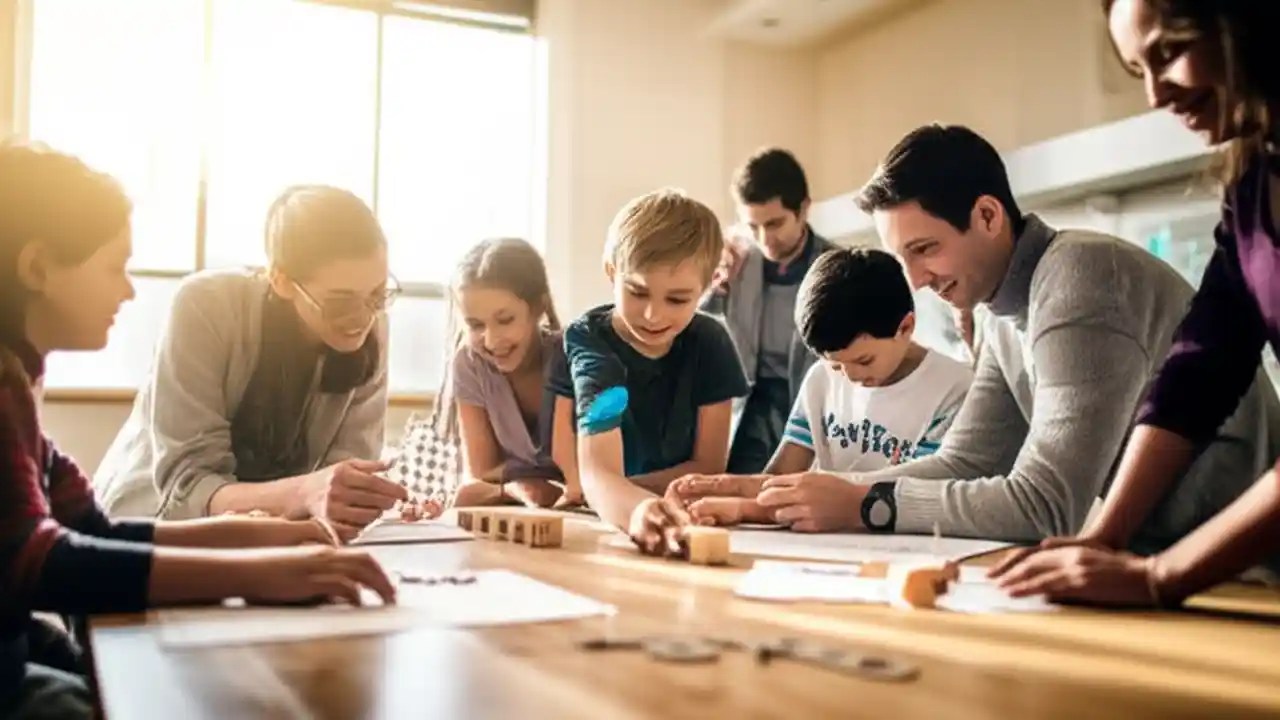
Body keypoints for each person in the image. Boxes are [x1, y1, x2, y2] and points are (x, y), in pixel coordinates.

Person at [673, 123, 1277, 541]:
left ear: (988, 216)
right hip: (1171, 556)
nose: (911, 278)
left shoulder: (1079, 278)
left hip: (1244, 572)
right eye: (900, 256)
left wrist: (866, 503)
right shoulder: (998, 310)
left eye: (926, 248)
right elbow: (966, 462)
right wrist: (777, 493)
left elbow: (1046, 505)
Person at [0, 141, 395, 719]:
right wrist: (259, 574)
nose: (129, 290)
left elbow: (86, 526)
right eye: (115, 267)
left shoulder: (18, 385)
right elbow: (39, 561)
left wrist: (262, 542)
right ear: (37, 268)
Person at [990, 0, 1280, 607]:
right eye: (1136, 70)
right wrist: (1104, 536)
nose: (1153, 95)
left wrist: (1160, 576)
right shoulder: (1253, 182)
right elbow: (1201, 367)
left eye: (1169, 53)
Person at [94, 185, 422, 541]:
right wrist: (305, 493)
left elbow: (343, 480)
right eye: (340, 301)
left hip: (276, 535)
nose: (363, 317)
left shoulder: (373, 326)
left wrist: (363, 498)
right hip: (149, 532)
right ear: (281, 279)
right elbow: (185, 489)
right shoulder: (206, 305)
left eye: (377, 295)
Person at [683, 248, 972, 527]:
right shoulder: (821, 379)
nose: (849, 376)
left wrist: (746, 508)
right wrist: (729, 487)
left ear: (905, 327)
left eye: (863, 360)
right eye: (836, 364)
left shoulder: (955, 389)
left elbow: (914, 492)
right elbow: (783, 475)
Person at [549, 189, 749, 554]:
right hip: (614, 513)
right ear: (611, 272)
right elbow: (596, 471)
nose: (653, 315)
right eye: (637, 292)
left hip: (666, 513)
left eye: (676, 299)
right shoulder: (591, 341)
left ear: (705, 289)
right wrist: (635, 504)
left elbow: (707, 465)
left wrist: (622, 492)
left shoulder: (711, 342)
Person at [703, 149, 837, 474]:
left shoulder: (837, 267)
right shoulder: (736, 261)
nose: (765, 239)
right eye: (753, 226)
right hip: (749, 408)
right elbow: (696, 319)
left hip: (809, 409)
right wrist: (711, 280)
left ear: (803, 209)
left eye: (775, 223)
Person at [435, 238, 580, 509]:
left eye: (505, 320)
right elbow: (480, 473)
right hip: (516, 503)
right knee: (465, 497)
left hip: (580, 501)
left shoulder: (575, 356)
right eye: (476, 324)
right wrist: (522, 487)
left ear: (538, 307)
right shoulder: (469, 364)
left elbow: (592, 465)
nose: (491, 341)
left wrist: (515, 479)